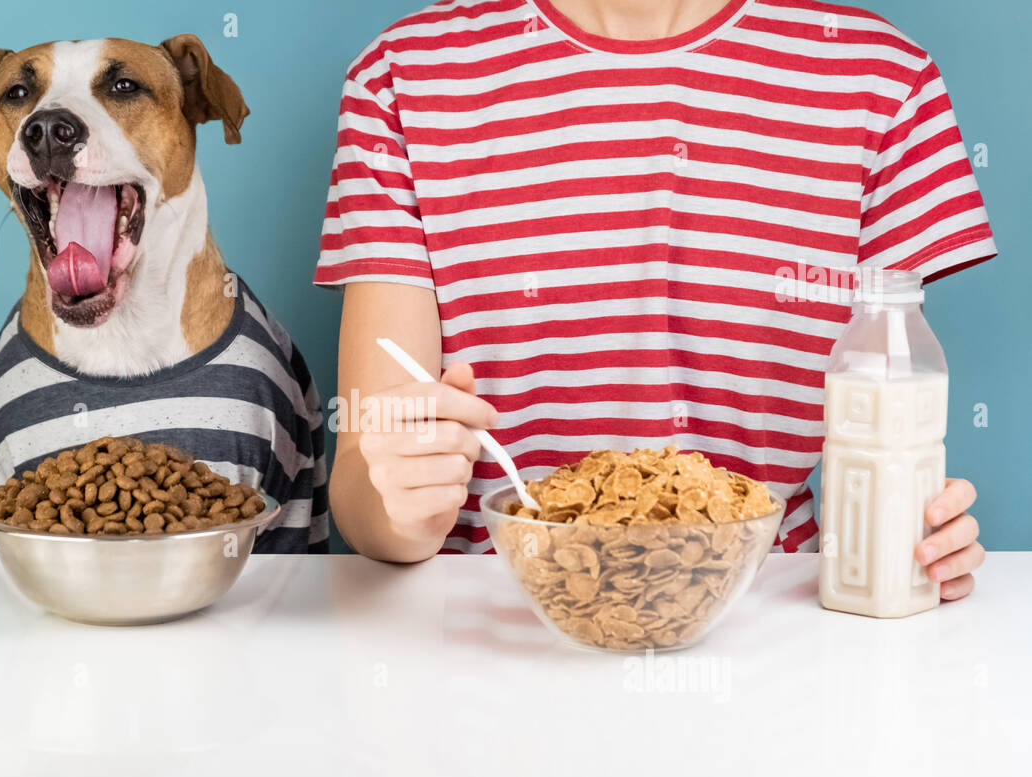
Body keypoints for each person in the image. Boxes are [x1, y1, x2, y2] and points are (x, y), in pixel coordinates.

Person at [315, 0, 992, 599]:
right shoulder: (403, 78)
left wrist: (914, 544)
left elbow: (885, 430)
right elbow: (360, 483)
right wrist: (402, 510)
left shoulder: (885, 83)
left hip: (775, 628)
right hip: (489, 624)